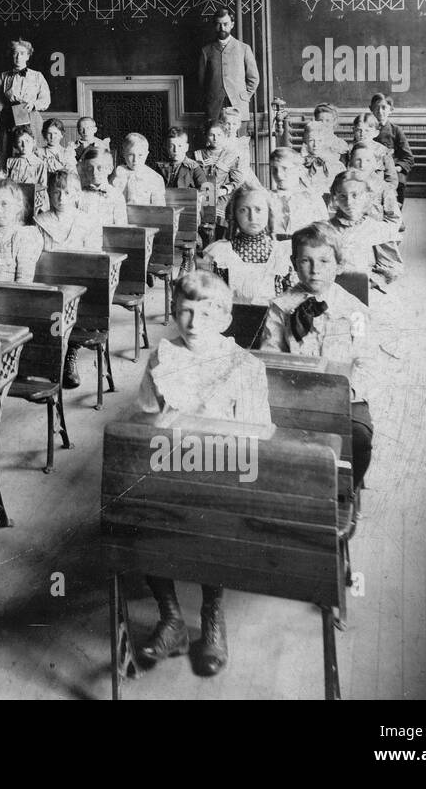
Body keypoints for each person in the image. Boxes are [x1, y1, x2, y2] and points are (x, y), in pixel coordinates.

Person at [134, 270, 273, 677]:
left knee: (212, 527)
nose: (194, 324)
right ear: (174, 312)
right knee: (145, 515)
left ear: (225, 319)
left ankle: (212, 616)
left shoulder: (243, 365)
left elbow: (255, 436)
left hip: (225, 469)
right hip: (169, 463)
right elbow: (145, 413)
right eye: (185, 312)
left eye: (206, 315)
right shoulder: (163, 356)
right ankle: (172, 618)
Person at [260, 222, 375, 499]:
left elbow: (365, 359)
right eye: (306, 261)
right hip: (293, 396)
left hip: (345, 398)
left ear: (338, 263)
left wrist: (344, 391)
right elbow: (269, 355)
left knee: (359, 438)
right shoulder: (280, 307)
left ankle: (341, 493)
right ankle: (293, 491)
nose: (315, 269)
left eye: (324, 260)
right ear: (293, 263)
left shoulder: (355, 311)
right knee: (266, 437)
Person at [201, 183, 293, 305]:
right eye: (243, 210)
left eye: (258, 209)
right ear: (234, 214)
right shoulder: (221, 253)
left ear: (269, 213)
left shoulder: (280, 252)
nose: (252, 217)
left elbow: (289, 299)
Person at [328, 170, 403, 286]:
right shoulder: (326, 228)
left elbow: (391, 267)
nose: (349, 202)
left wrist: (369, 283)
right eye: (342, 196)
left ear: (367, 197)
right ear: (335, 198)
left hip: (365, 288)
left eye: (355, 195)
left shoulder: (377, 229)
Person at [198, 6, 260, 133]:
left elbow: (253, 78)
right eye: (218, 24)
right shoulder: (206, 51)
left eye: (225, 24)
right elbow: (201, 82)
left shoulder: (244, 49)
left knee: (238, 145)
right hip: (214, 108)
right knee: (216, 144)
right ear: (214, 26)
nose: (222, 28)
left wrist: (244, 96)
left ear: (232, 24)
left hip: (238, 106)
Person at [0, 39, 51, 163]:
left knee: (30, 151)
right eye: (15, 53)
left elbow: (46, 100)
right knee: (5, 153)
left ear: (28, 56)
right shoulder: (4, 76)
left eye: (22, 53)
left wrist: (34, 104)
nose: (18, 57)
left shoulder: (37, 76)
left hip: (30, 117)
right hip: (7, 119)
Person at [266, 148, 328, 235]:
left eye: (285, 169)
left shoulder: (313, 199)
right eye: (274, 169)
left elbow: (324, 232)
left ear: (299, 169)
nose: (279, 174)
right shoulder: (266, 198)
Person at [35, 170, 101, 251]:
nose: (61, 198)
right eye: (56, 192)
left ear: (77, 195)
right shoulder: (40, 221)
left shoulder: (86, 221)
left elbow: (93, 256)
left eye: (67, 193)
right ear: (49, 194)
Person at [371, 93, 414, 205]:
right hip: (370, 167)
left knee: (398, 181)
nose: (380, 111)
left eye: (384, 108)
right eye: (376, 107)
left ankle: (395, 215)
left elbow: (408, 157)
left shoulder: (396, 131)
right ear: (371, 109)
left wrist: (396, 168)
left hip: (391, 169)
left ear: (391, 110)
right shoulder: (366, 129)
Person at [76, 145, 129, 229]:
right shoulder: (79, 195)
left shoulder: (116, 196)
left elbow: (121, 229)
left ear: (110, 169)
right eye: (90, 168)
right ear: (85, 170)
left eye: (99, 167)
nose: (94, 172)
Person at [110, 133, 166, 205]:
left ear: (146, 154)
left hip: (145, 214)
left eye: (140, 155)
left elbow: (159, 207)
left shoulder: (155, 178)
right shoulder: (118, 173)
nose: (135, 160)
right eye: (130, 154)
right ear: (123, 154)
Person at [5, 125, 50, 213]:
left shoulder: (40, 163)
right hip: (14, 199)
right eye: (19, 142)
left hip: (33, 200)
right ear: (14, 144)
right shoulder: (10, 162)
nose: (24, 145)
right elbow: (6, 183)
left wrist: (38, 207)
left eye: (27, 141)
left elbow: (42, 187)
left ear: (33, 142)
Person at [298, 120, 341, 195]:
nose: (315, 145)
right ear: (305, 140)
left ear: (325, 141)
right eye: (311, 140)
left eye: (320, 140)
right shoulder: (298, 163)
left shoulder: (336, 165)